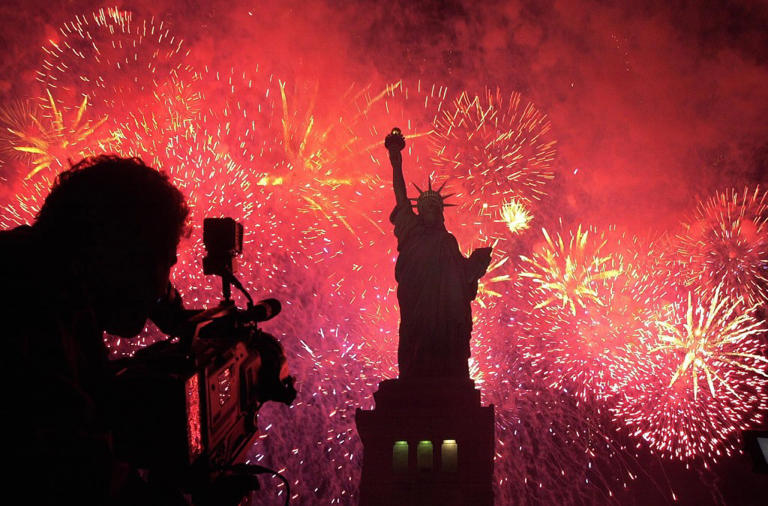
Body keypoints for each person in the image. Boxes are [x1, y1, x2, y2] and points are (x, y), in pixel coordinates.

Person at [1, 155, 189, 505]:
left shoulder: (37, 271)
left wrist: (176, 315)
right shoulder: (32, 316)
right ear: (123, 254)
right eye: (166, 261)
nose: (162, 284)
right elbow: (84, 474)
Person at [385, 128, 492, 378]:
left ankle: (448, 375)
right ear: (419, 210)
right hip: (417, 299)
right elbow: (401, 196)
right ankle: (414, 378)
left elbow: (461, 274)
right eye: (425, 205)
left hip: (446, 306)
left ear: (441, 211)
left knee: (445, 342)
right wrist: (395, 159)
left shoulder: (447, 240)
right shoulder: (410, 229)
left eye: (435, 205)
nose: (431, 208)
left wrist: (476, 265)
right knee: (415, 335)